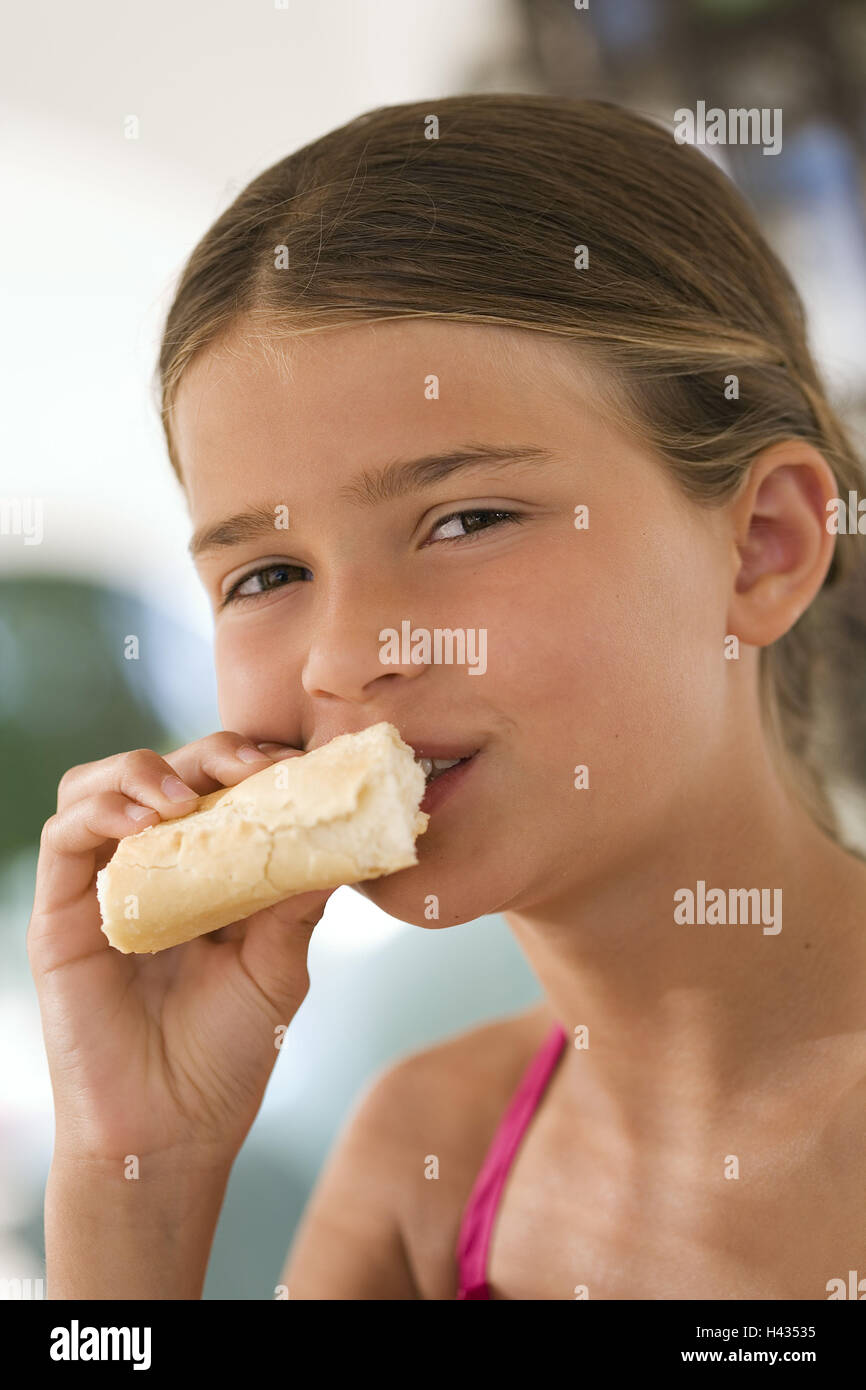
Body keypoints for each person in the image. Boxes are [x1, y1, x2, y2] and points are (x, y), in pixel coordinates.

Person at [29, 93, 866, 1300]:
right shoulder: (426, 1154)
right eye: (266, 573)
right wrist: (132, 1177)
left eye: (465, 518)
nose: (342, 656)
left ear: (760, 549)